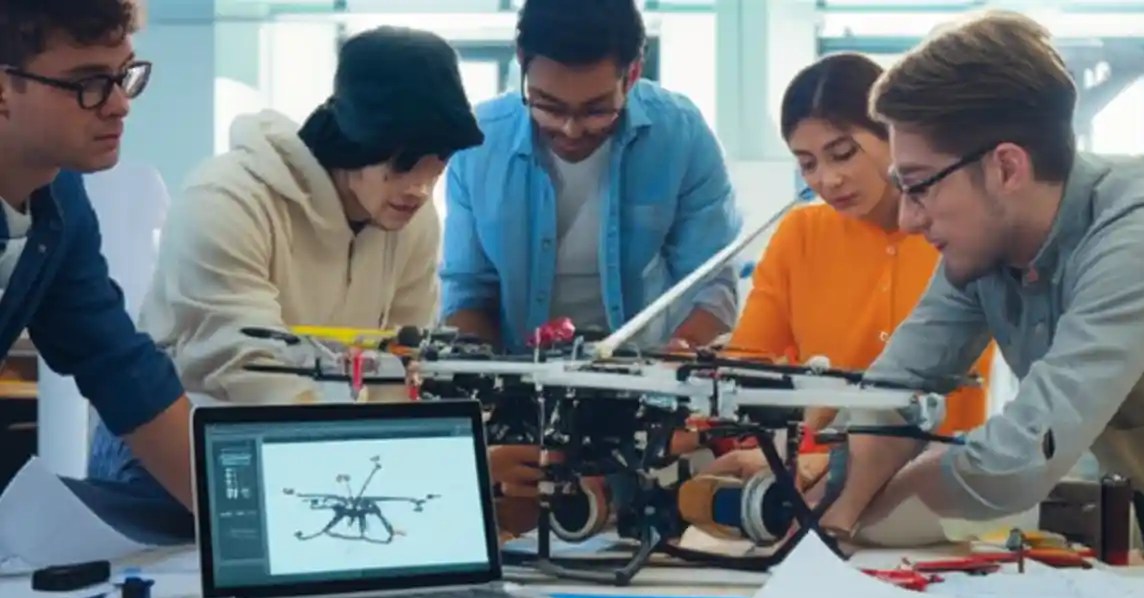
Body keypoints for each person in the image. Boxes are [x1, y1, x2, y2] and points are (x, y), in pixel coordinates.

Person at [814, 11, 1144, 574]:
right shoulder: (985, 248)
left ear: (1007, 168)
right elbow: (898, 389)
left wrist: (864, 510)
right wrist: (824, 490)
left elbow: (1020, 456)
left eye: (918, 186)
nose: (909, 218)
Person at [86, 26, 488, 519]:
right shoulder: (227, 200)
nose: (420, 189)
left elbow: (401, 365)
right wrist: (352, 462)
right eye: (403, 165)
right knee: (171, 570)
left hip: (320, 449)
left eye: (438, 165)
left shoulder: (412, 222)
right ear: (357, 141)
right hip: (174, 441)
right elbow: (245, 365)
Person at [439, 0, 742, 354]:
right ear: (522, 62)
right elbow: (466, 290)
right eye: (548, 106)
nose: (570, 130)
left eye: (596, 110)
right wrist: (481, 371)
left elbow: (711, 284)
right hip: (513, 371)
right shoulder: (477, 145)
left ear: (632, 74)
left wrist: (678, 357)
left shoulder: (681, 135)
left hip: (647, 368)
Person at [729, 52, 994, 442]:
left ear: (894, 134)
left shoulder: (963, 231)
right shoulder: (799, 235)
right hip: (817, 465)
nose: (828, 179)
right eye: (808, 164)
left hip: (947, 465)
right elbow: (745, 369)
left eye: (842, 154)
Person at [0, 0, 193, 509]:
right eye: (88, 82)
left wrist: (238, 524)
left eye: (123, 76)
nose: (119, 105)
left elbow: (115, 363)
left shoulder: (59, 200)